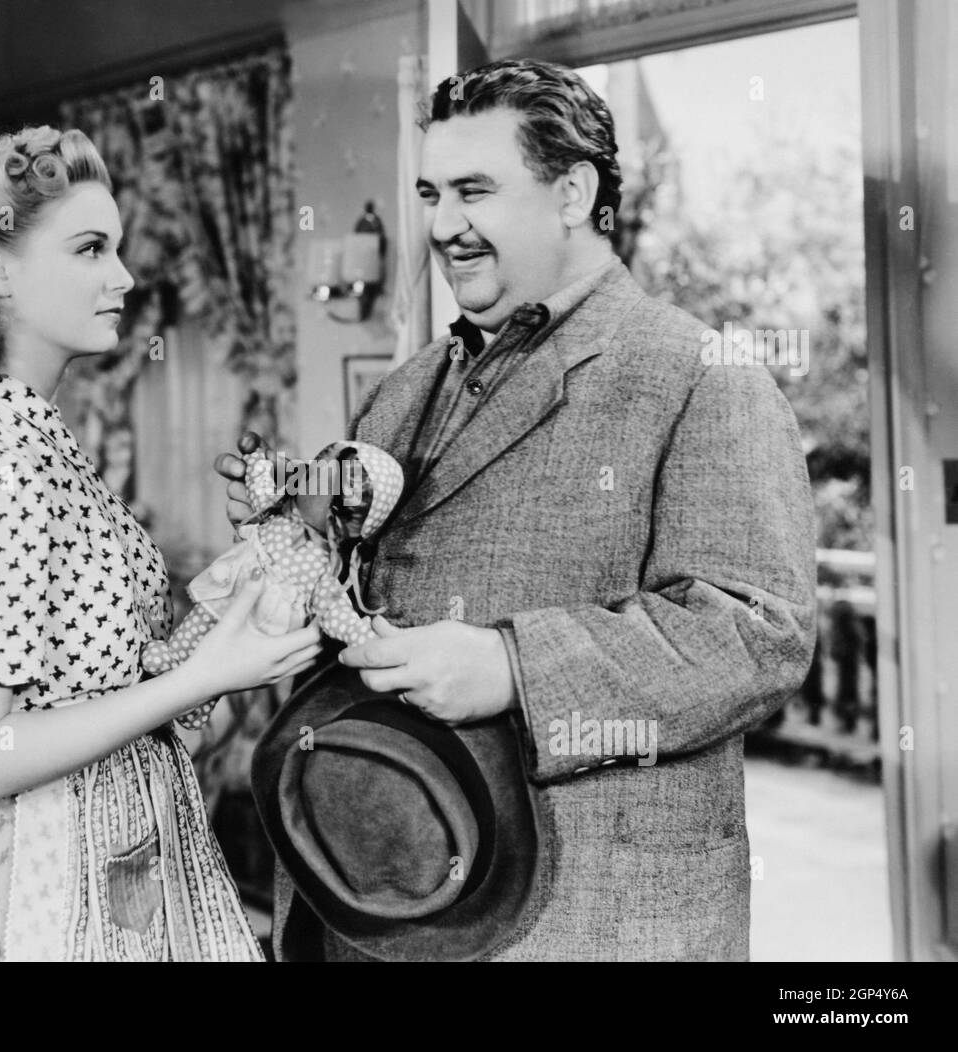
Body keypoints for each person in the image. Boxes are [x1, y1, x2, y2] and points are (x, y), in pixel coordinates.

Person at [218, 60, 816, 961]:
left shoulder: (702, 375)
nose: (443, 226)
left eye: (474, 191)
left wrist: (511, 667)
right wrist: (290, 540)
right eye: (430, 193)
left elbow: (756, 633)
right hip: (382, 892)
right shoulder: (403, 389)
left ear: (573, 192)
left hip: (586, 922)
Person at [0, 125, 322, 961]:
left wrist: (223, 622)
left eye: (116, 248)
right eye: (89, 249)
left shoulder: (46, 444)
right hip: (32, 904)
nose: (123, 277)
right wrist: (200, 674)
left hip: (126, 876)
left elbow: (133, 719)